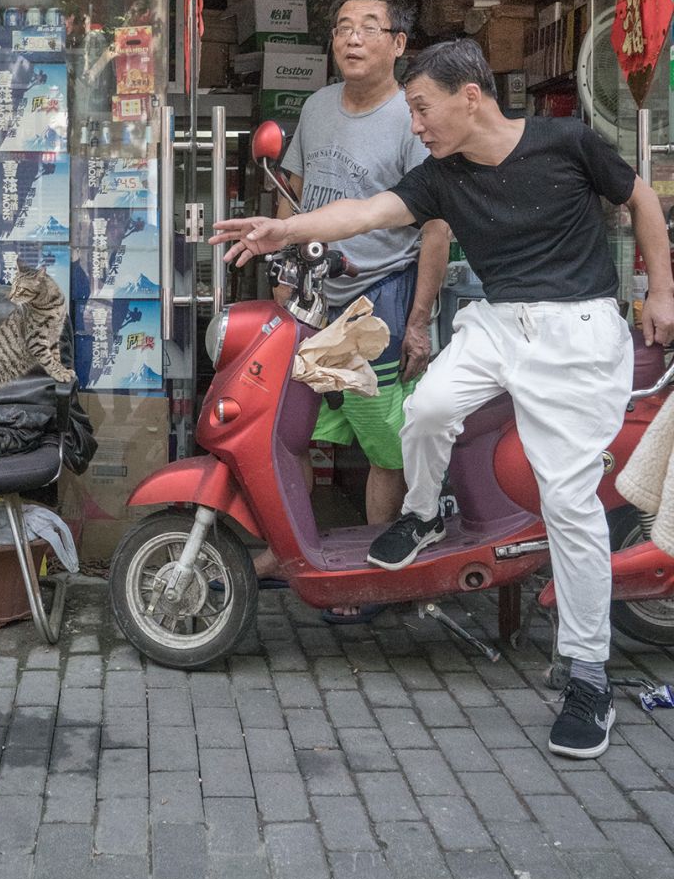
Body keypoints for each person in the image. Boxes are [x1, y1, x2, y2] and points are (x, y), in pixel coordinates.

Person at [212, 37, 674, 761]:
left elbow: (640, 196)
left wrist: (663, 292)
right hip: (497, 323)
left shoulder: (566, 142)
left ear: (470, 96)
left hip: (577, 331)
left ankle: (588, 674)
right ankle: (424, 514)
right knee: (425, 411)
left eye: (422, 108)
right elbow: (364, 212)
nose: (416, 125)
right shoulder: (441, 176)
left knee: (568, 502)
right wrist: (285, 228)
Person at [256, 0, 450, 622]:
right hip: (316, 293)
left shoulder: (412, 118)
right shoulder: (317, 107)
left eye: (369, 26)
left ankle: (379, 567)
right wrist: (284, 278)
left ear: (399, 43)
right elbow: (292, 193)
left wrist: (418, 321)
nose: (353, 38)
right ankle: (291, 548)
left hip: (379, 297)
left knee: (381, 439)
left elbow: (435, 228)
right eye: (343, 27)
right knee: (289, 420)